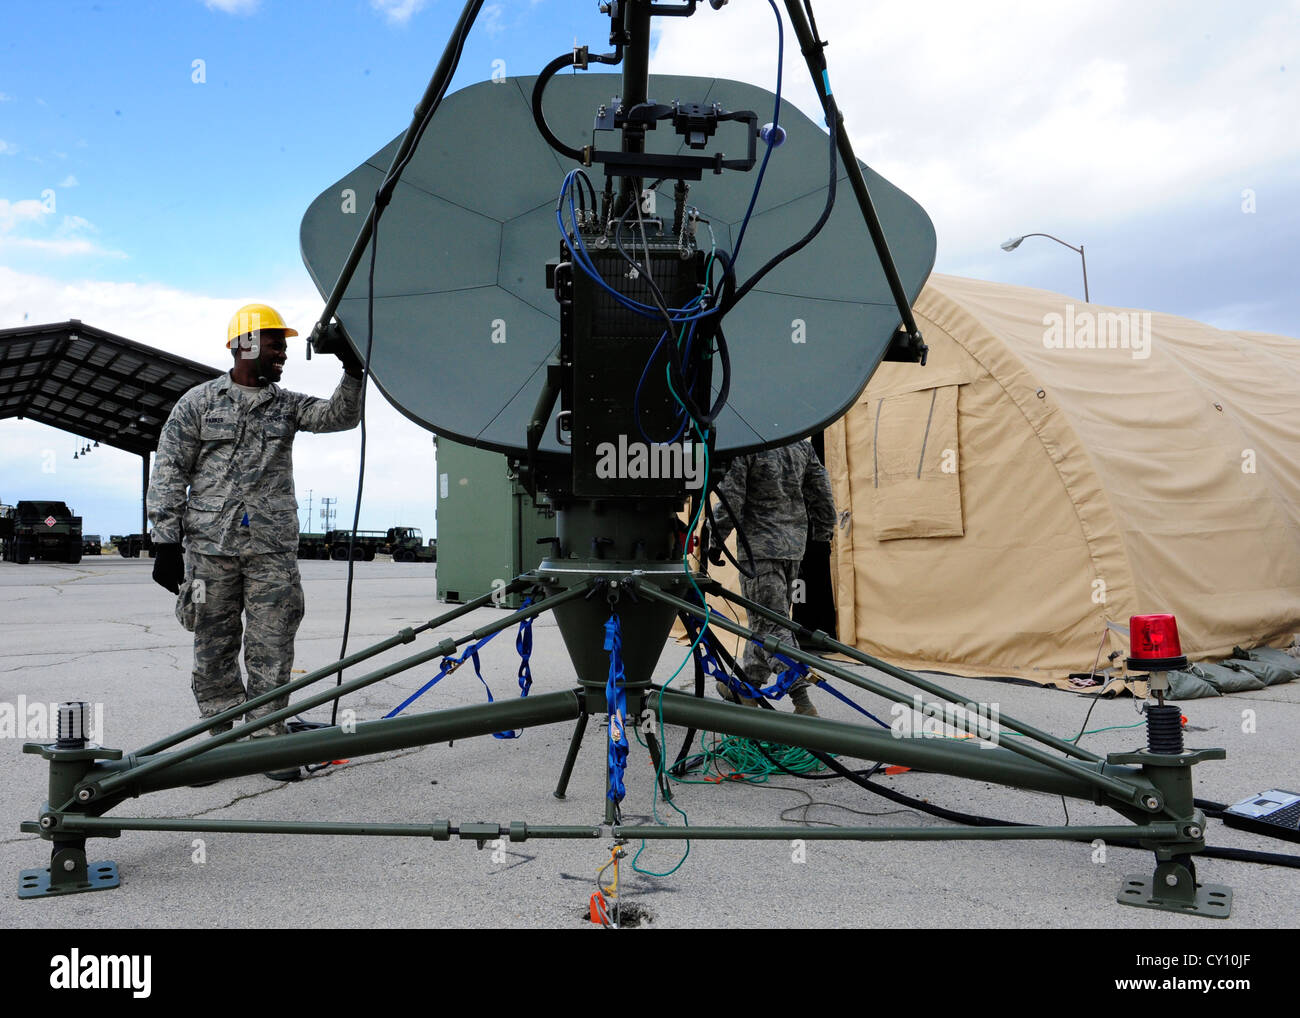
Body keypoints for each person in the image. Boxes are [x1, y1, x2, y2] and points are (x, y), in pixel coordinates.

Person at [148, 303, 364, 781]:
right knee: (214, 646)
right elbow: (169, 472)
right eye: (274, 343)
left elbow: (338, 417)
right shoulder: (199, 403)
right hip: (209, 552)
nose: (283, 352)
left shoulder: (285, 404)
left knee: (273, 646)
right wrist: (164, 542)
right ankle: (222, 742)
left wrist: (351, 369)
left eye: (284, 345)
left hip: (271, 551)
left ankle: (266, 741)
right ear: (243, 343)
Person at [707, 438, 836, 716]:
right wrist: (824, 529)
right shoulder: (800, 444)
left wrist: (714, 539)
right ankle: (745, 689)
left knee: (771, 627)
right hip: (792, 547)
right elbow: (820, 488)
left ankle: (802, 701)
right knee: (770, 618)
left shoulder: (748, 446)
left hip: (760, 549)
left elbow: (731, 499)